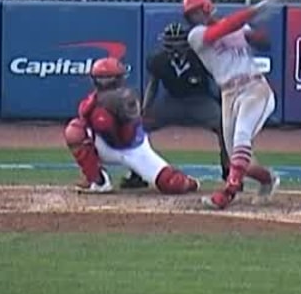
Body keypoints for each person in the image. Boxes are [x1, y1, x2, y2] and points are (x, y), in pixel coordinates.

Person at [183, 0, 280, 211]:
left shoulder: (236, 26)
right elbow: (220, 31)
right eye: (191, 14)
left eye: (198, 11)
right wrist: (253, 11)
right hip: (228, 93)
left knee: (241, 137)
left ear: (207, 8)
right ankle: (267, 179)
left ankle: (228, 193)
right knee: (238, 158)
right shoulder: (196, 35)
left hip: (254, 88)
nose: (195, 17)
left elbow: (265, 44)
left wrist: (254, 31)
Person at [116, 21, 231, 191]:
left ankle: (229, 172)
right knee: (138, 127)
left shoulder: (200, 57)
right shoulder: (158, 60)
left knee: (224, 127)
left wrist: (223, 105)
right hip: (172, 100)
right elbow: (153, 85)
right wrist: (145, 109)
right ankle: (136, 173)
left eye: (178, 42)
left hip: (199, 100)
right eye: (171, 43)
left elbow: (216, 82)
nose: (175, 47)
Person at [62, 57, 201, 195]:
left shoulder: (127, 97)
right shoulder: (95, 100)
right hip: (106, 144)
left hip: (133, 148)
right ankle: (98, 181)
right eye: (101, 78)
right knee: (75, 131)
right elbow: (84, 116)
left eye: (109, 78)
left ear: (119, 78)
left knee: (172, 184)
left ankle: (189, 182)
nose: (104, 83)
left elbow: (124, 134)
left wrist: (102, 113)